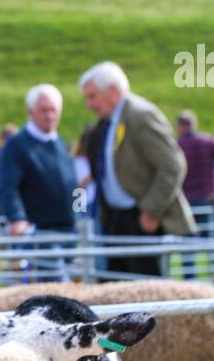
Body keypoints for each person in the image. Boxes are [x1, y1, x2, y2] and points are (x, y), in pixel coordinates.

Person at [79, 62, 194, 278]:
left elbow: (172, 165)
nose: (89, 104)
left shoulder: (140, 115)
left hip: (139, 218)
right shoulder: (107, 123)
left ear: (112, 90)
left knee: (147, 290)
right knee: (116, 288)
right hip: (115, 219)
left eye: (92, 96)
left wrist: (151, 211)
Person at [0, 86, 76, 281]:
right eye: (44, 110)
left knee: (68, 283)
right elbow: (8, 184)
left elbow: (72, 181)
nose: (49, 116)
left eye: (53, 110)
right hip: (41, 232)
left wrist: (80, 213)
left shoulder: (59, 142)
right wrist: (17, 218)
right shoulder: (18, 144)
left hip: (68, 230)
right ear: (30, 112)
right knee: (57, 288)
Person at [176, 110, 214, 278]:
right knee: (210, 241)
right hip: (206, 198)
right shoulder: (208, 142)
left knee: (187, 243)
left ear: (181, 125)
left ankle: (189, 280)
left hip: (186, 201)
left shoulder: (178, 144)